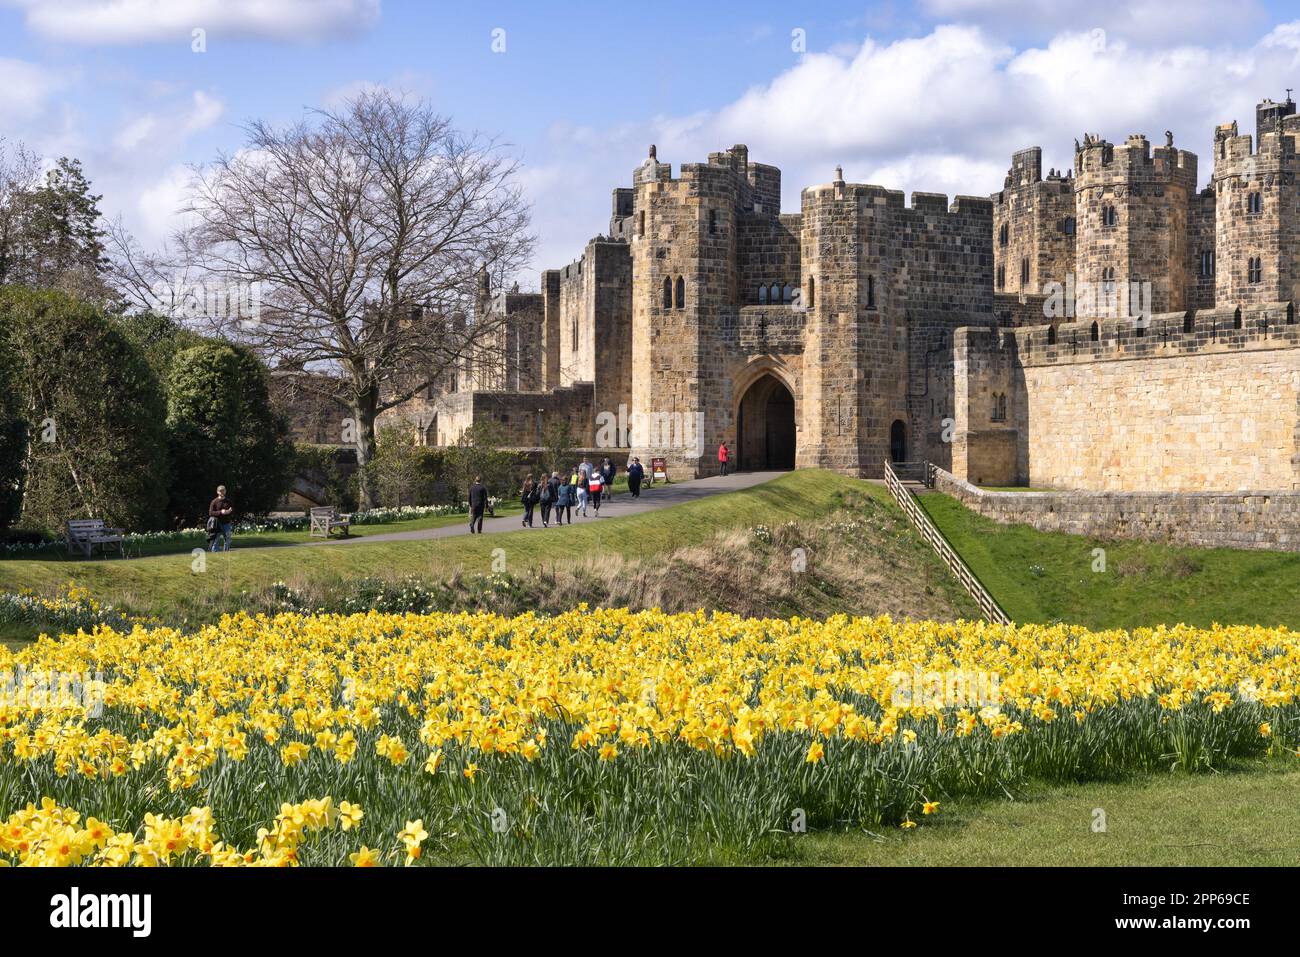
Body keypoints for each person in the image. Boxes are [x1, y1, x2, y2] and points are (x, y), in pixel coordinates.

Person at [208, 485, 235, 552]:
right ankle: (214, 552)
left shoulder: (228, 501)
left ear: (225, 491)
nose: (222, 492)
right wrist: (221, 512)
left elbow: (233, 510)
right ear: (217, 492)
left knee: (228, 538)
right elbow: (210, 513)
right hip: (217, 524)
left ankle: (226, 552)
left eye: (223, 490)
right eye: (220, 491)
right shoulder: (214, 501)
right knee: (216, 540)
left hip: (226, 523)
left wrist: (229, 512)